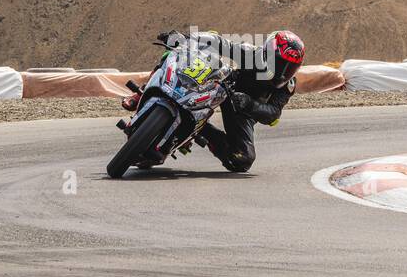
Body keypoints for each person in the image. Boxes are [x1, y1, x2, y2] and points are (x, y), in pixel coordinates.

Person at [123, 29, 304, 172]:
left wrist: (250, 104)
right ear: (266, 53)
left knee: (242, 159)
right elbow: (220, 43)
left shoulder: (288, 86)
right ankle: (141, 93)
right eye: (279, 63)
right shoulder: (251, 54)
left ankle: (200, 130)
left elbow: (273, 115)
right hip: (224, 85)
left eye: (290, 68)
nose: (283, 72)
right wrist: (186, 38)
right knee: (174, 53)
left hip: (243, 111)